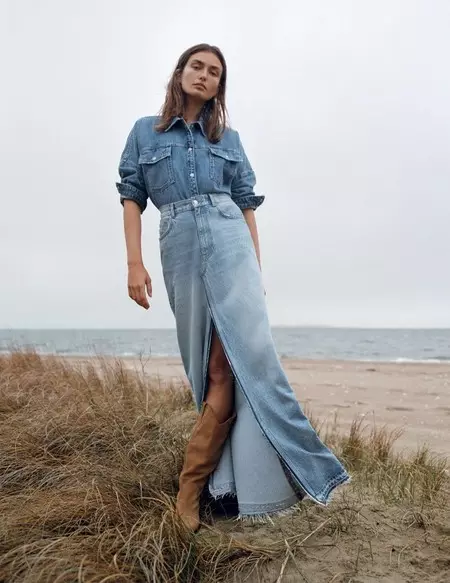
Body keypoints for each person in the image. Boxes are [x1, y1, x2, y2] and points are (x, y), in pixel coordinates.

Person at [116, 43, 350, 532]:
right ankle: (229, 485)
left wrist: (254, 273)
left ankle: (191, 492)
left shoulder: (231, 138)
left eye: (215, 72)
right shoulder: (144, 131)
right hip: (178, 243)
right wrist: (134, 264)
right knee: (205, 369)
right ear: (179, 73)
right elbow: (132, 196)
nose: (204, 76)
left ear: (221, 86)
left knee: (238, 362)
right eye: (196, 67)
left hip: (230, 241)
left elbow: (246, 205)